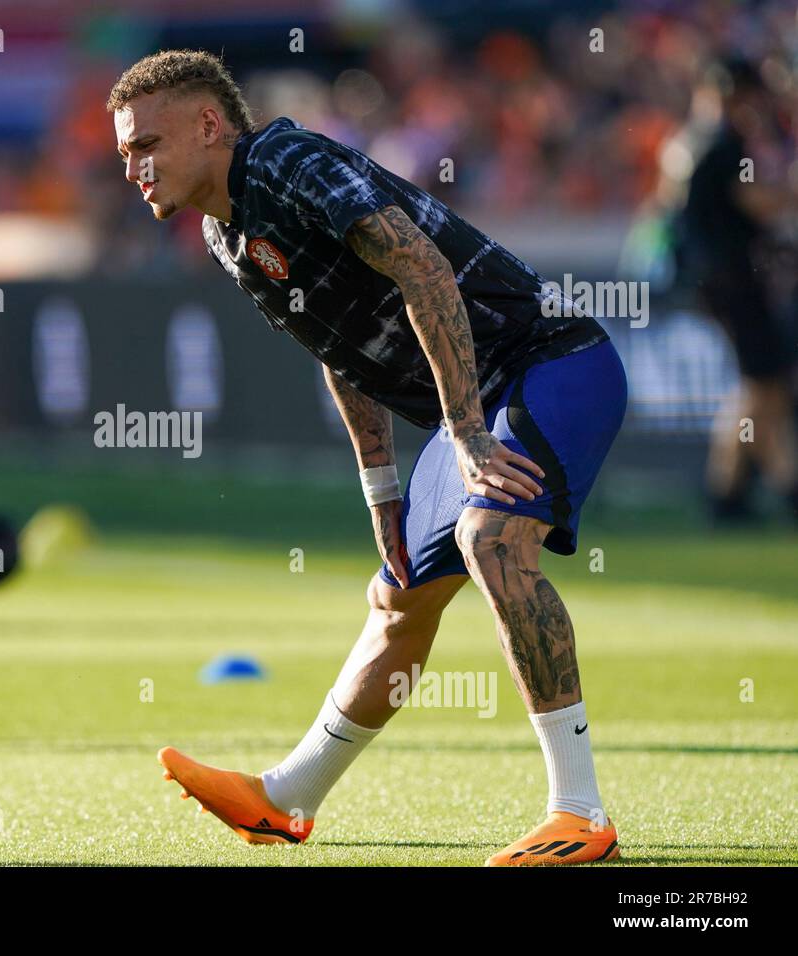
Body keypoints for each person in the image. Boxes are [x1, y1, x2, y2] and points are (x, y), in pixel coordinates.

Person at [109, 50, 626, 865]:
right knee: (399, 602)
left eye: (146, 145)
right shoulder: (224, 230)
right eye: (125, 154)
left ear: (210, 125)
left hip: (553, 364)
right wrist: (382, 490)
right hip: (476, 408)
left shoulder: (289, 161)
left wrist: (462, 430)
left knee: (490, 539)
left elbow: (423, 266)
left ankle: (581, 813)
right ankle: (285, 799)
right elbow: (339, 345)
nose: (133, 167)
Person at [681, 58, 798, 522]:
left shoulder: (696, 141)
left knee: (759, 385)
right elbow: (756, 201)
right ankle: (747, 489)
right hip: (733, 281)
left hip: (719, 280)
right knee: (760, 383)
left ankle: (733, 489)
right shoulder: (724, 144)